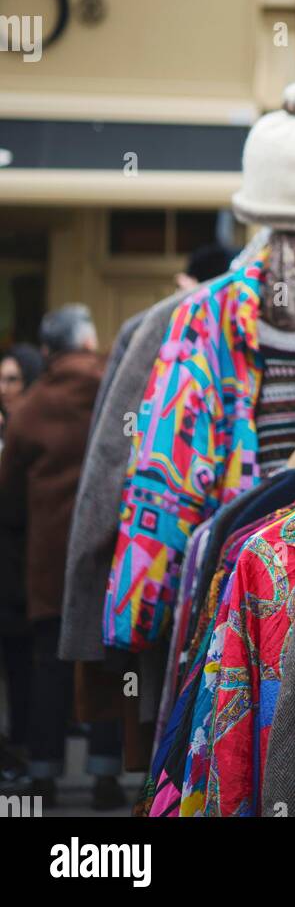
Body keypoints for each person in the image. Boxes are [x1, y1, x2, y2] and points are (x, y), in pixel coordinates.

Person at [0, 304, 124, 810]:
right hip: (110, 553)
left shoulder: (32, 407)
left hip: (49, 560)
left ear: (48, 350)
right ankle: (106, 775)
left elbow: (6, 496)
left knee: (48, 664)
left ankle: (45, 772)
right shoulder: (116, 393)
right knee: (108, 664)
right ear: (90, 343)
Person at [0, 343, 43, 784]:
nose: (4, 388)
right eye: (1, 379)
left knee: (21, 662)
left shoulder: (30, 430)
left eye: (13, 379)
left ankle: (22, 748)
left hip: (19, 568)